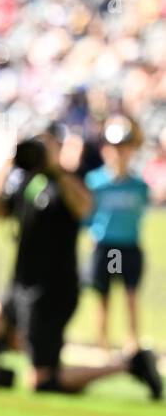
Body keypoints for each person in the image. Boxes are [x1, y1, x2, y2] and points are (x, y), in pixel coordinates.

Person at [0, 123, 160, 399]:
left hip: (52, 292)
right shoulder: (26, 182)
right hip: (20, 286)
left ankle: (129, 364)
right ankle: (20, 360)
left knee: (43, 382)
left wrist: (56, 170)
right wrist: (7, 164)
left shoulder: (70, 179)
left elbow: (86, 207)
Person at [84, 115, 151, 354]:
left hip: (129, 246)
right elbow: (87, 215)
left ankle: (133, 342)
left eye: (124, 146)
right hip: (107, 247)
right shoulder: (96, 182)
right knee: (104, 296)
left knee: (131, 295)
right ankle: (103, 344)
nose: (119, 152)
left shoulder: (140, 185)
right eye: (115, 146)